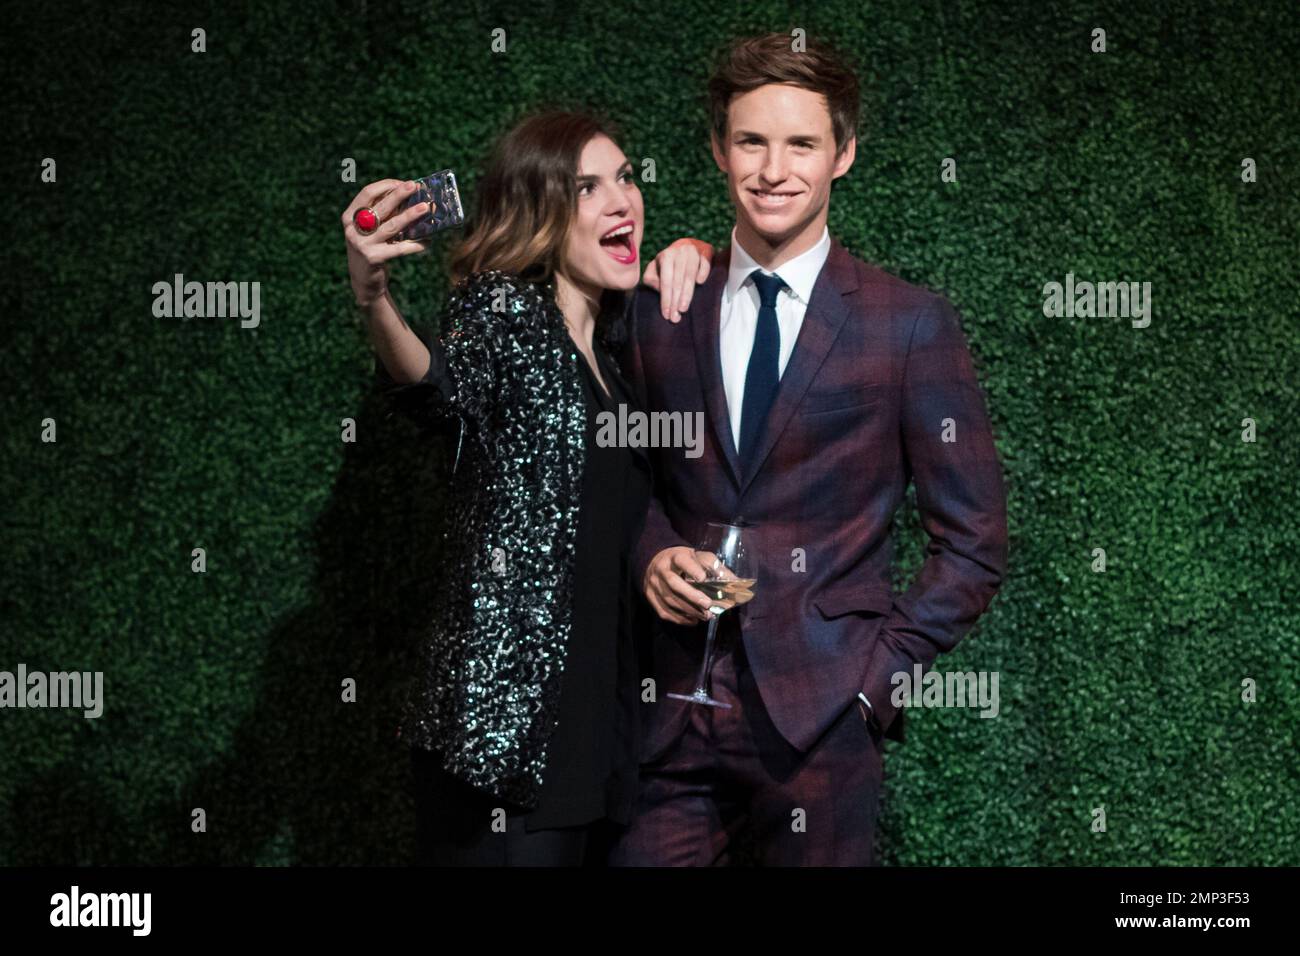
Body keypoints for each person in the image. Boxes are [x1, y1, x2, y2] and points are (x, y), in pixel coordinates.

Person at [610, 33, 1010, 866]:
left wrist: (873, 687)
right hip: (667, 720)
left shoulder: (906, 325)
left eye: (802, 143)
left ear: (844, 155)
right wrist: (650, 556)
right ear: (719, 150)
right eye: (751, 141)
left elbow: (973, 542)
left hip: (822, 730)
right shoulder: (662, 307)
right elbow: (629, 476)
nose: (773, 169)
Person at [341, 110, 687, 866]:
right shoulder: (504, 313)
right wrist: (373, 298)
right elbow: (438, 385)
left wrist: (692, 253)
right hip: (505, 736)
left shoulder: (621, 348)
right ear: (543, 213)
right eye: (587, 187)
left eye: (625, 178)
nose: (622, 199)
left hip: (598, 731)